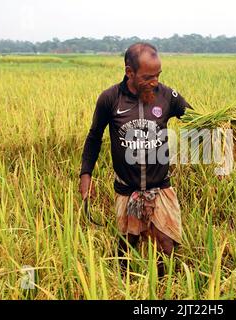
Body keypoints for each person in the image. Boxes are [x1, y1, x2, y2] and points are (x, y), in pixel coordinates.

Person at [78, 42, 192, 276]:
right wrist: (85, 174)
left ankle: (163, 289)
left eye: (158, 75)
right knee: (127, 247)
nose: (155, 82)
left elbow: (194, 118)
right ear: (130, 72)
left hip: (159, 188)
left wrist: (220, 122)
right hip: (126, 189)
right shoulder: (110, 99)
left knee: (167, 247)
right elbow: (94, 138)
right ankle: (124, 285)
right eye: (148, 77)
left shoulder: (167, 96)